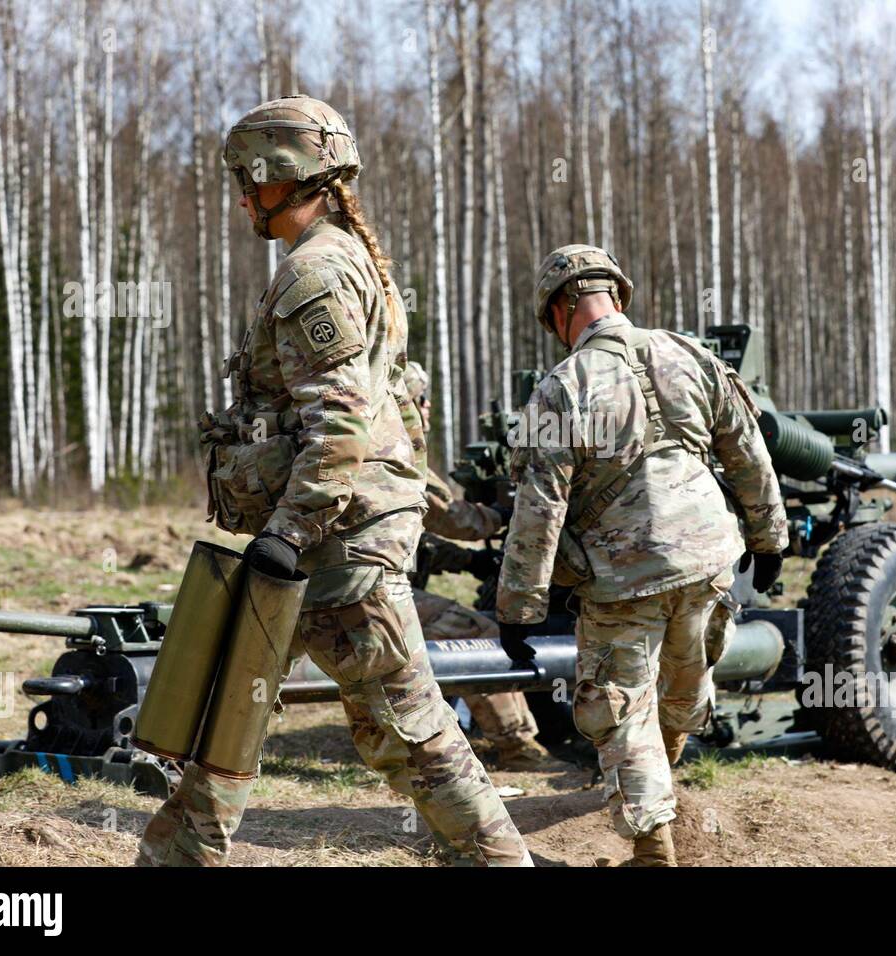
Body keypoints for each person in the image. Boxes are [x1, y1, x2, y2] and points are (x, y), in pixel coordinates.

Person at [136, 95, 529, 867]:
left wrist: (289, 531)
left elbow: (342, 415)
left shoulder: (315, 271)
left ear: (280, 177)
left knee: (410, 737)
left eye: (246, 182)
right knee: (229, 719)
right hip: (328, 540)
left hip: (331, 544)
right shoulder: (347, 260)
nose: (242, 200)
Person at [495, 244, 788, 866]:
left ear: (560, 308)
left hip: (623, 578)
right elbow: (747, 453)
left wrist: (520, 606)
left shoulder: (562, 387)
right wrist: (769, 541)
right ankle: (667, 781)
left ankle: (654, 848)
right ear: (616, 295)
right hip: (709, 558)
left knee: (622, 709)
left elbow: (539, 505)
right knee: (686, 685)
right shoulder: (689, 354)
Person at [400, 362, 551, 771]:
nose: (427, 407)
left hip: (330, 584)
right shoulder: (394, 450)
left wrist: (471, 561)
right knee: (476, 637)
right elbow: (450, 518)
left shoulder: (367, 441)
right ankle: (519, 748)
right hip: (367, 592)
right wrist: (507, 514)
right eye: (419, 400)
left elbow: (410, 535)